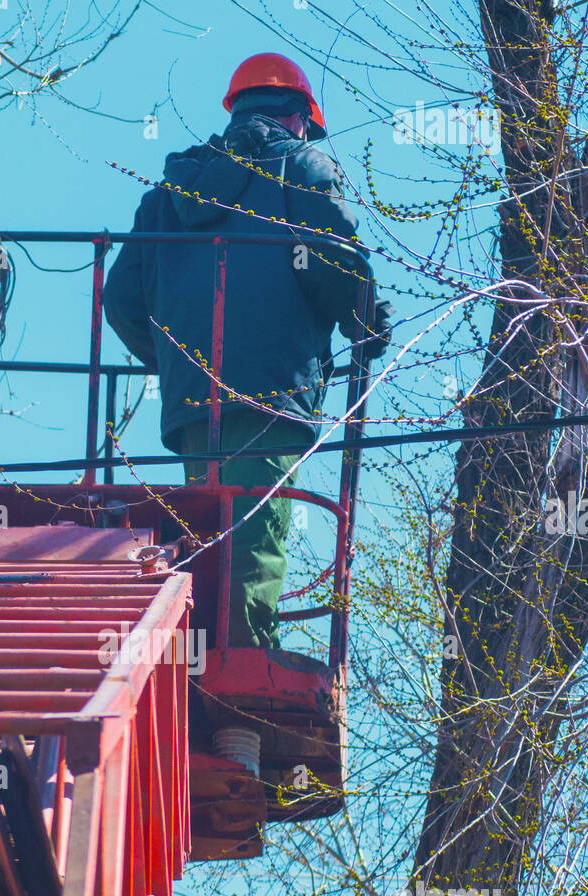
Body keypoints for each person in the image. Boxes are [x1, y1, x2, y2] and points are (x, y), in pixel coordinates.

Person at [104, 52, 392, 649]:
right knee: (253, 537)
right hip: (272, 395)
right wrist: (369, 317)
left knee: (203, 526)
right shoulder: (303, 166)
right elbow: (334, 265)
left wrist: (177, 361)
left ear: (237, 112)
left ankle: (198, 651)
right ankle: (242, 668)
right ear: (298, 118)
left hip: (191, 405)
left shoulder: (169, 194)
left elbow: (122, 301)